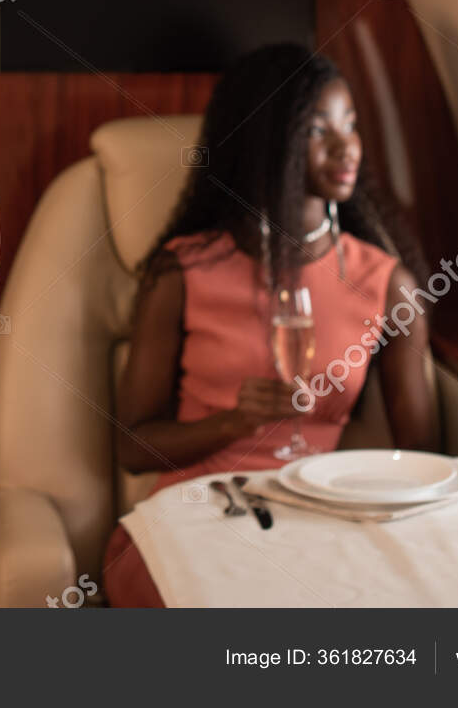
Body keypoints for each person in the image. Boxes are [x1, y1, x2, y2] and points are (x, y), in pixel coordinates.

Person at [102, 43, 440, 607]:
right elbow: (134, 448)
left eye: (351, 124)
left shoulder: (387, 282)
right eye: (316, 129)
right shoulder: (182, 271)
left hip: (321, 516)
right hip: (200, 509)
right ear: (266, 141)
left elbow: (424, 456)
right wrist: (234, 422)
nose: (346, 145)